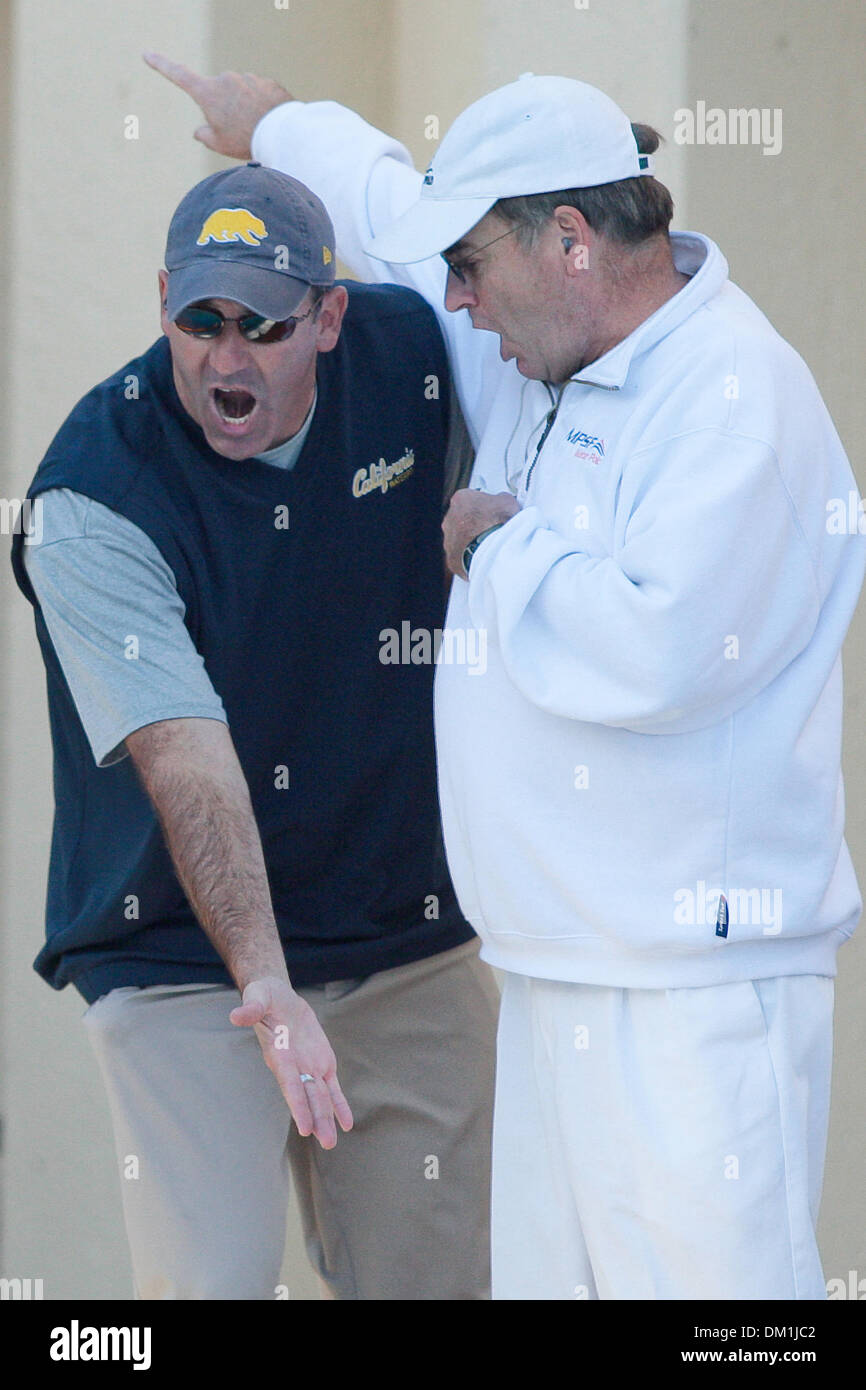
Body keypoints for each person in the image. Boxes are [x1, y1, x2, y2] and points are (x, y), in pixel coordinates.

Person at [146, 53, 866, 1301]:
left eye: (470, 268)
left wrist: (499, 541)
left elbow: (658, 652)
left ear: (570, 241)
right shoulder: (537, 344)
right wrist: (274, 124)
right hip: (548, 974)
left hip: (686, 998)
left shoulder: (734, 398)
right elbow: (387, 212)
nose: (454, 302)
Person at [11, 159, 499, 1301]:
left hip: (400, 936)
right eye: (199, 320)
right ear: (164, 303)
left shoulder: (415, 356)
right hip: (184, 956)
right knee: (209, 1290)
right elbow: (185, 757)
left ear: (329, 317)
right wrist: (268, 986)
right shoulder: (92, 498)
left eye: (263, 326)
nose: (225, 359)